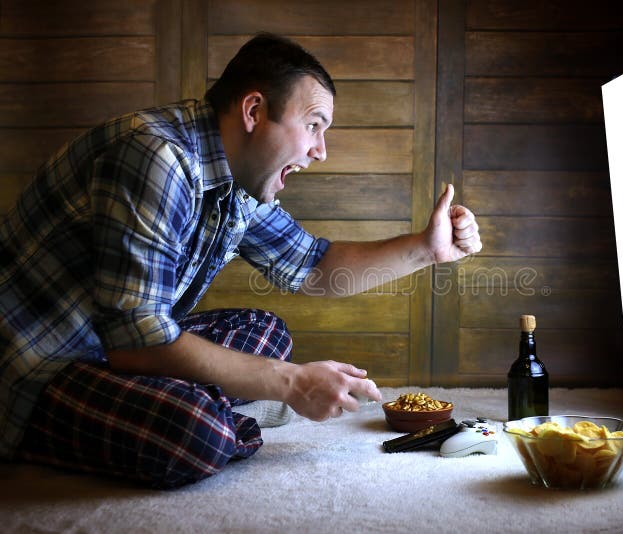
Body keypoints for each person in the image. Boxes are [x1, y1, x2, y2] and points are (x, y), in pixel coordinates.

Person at [0, 33, 482, 488]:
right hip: (38, 369)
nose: (320, 151)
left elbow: (314, 267)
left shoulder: (237, 180)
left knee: (268, 333)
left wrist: (428, 249)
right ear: (254, 110)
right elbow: (136, 343)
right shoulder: (155, 155)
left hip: (113, 349)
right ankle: (210, 418)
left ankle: (182, 407)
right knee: (196, 434)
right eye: (313, 125)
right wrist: (291, 384)